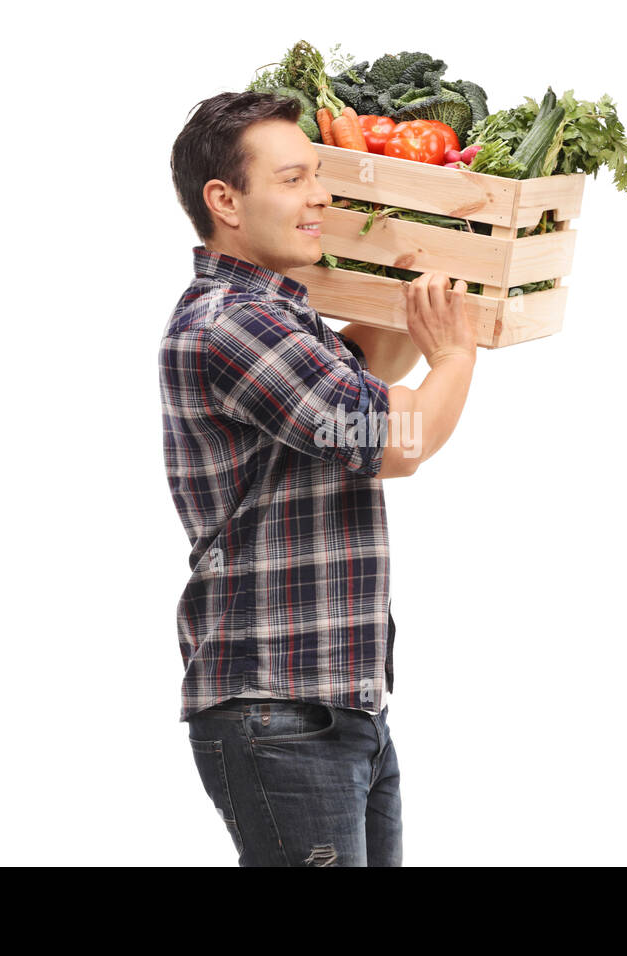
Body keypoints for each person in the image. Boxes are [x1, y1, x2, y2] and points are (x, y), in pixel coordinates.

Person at [162, 90, 476, 866]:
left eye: (321, 177)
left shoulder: (280, 319)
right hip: (281, 708)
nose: (321, 197)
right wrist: (458, 356)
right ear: (225, 201)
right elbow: (394, 438)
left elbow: (360, 376)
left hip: (333, 704)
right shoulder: (232, 325)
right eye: (296, 179)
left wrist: (421, 283)